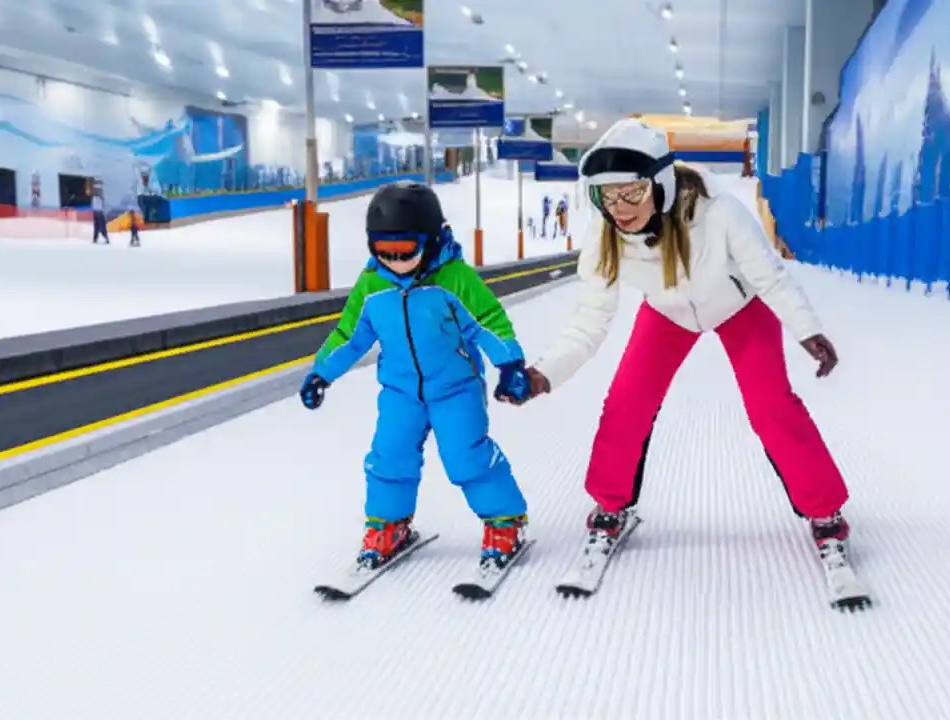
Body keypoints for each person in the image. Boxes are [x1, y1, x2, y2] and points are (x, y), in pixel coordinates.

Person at [523, 118, 855, 571]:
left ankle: (825, 514)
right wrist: (547, 372)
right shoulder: (605, 236)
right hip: (668, 313)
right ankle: (611, 507)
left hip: (739, 307)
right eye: (608, 195)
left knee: (771, 406)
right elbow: (589, 319)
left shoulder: (720, 213)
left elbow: (769, 276)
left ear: (658, 183)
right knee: (626, 402)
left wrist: (807, 330)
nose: (620, 208)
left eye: (632, 192)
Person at [299, 181, 534, 572]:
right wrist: (322, 373)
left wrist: (510, 366)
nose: (394, 261)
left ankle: (504, 520)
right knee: (389, 456)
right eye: (382, 251)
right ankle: (389, 525)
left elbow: (488, 322)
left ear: (432, 237)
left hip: (455, 388)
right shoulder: (372, 286)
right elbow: (349, 336)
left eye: (405, 250)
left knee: (465, 456)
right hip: (400, 391)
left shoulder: (454, 279)